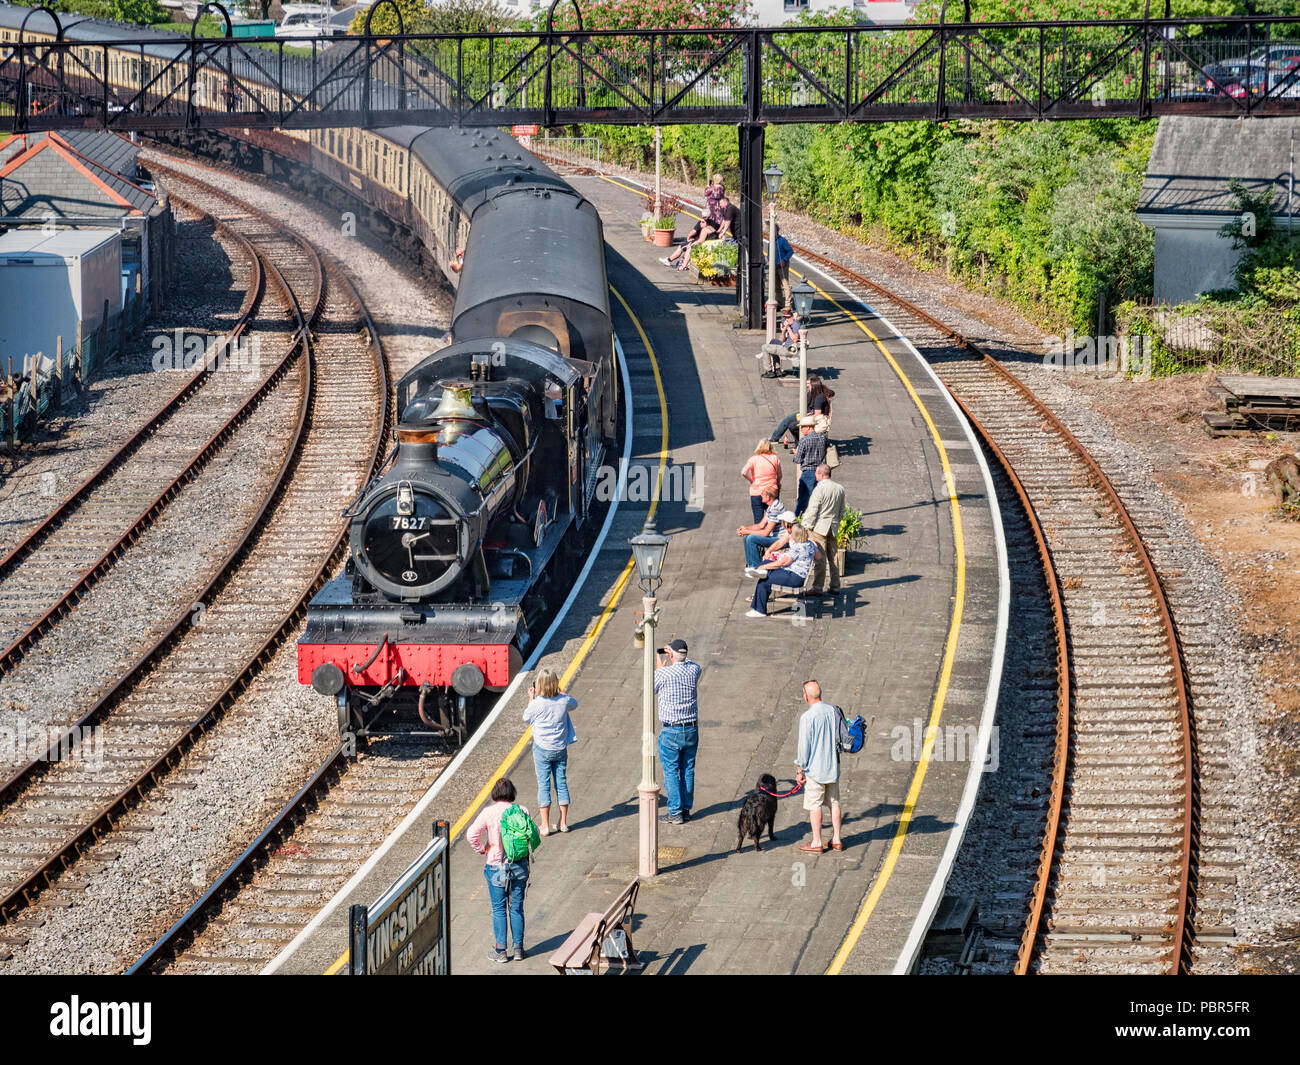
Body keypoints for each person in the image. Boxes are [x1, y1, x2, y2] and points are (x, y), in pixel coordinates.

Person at [466, 777, 532, 961]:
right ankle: (518, 949)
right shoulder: (522, 810)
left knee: (499, 909)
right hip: (518, 864)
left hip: (496, 865)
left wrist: (482, 848)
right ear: (512, 793)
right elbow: (529, 835)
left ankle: (501, 951)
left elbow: (471, 834)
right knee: (517, 907)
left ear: (495, 793)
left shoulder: (488, 813)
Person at [523, 668, 577, 835]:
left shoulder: (537, 704)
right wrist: (562, 693)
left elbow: (526, 718)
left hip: (542, 749)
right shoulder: (563, 700)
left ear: (539, 685)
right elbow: (574, 704)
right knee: (561, 783)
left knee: (544, 785)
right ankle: (563, 822)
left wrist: (531, 698)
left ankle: (545, 825)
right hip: (560, 748)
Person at [654, 638, 701, 825]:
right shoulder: (694, 670)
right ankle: (686, 808)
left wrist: (659, 666)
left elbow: (651, 688)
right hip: (691, 728)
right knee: (688, 769)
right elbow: (691, 662)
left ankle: (675, 812)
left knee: (671, 771)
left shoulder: (663, 674)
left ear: (670, 654)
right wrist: (677, 654)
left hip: (671, 731)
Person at [794, 680, 843, 852]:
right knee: (834, 802)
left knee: (814, 804)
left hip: (815, 770)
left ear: (805, 696)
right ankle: (836, 839)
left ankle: (816, 842)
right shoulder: (832, 710)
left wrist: (800, 770)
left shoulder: (808, 717)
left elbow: (803, 747)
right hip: (833, 766)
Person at [745, 524, 817, 618]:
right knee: (767, 562)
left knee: (764, 581)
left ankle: (759, 610)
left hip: (794, 577)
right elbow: (818, 556)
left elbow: (782, 563)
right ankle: (759, 571)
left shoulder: (797, 547)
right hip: (797, 575)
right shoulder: (810, 544)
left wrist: (765, 566)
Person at [801, 463, 846, 597]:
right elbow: (842, 510)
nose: (815, 476)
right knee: (834, 557)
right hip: (833, 526)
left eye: (816, 473)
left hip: (819, 527)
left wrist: (805, 526)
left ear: (821, 474)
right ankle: (835, 586)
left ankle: (817, 587)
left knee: (819, 557)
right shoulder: (839, 488)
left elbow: (813, 510)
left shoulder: (819, 489)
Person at [664, 174, 725, 268]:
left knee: (687, 244)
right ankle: (714, 236)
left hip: (711, 208)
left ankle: (678, 262)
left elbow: (706, 193)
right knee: (714, 226)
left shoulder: (711, 188)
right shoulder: (722, 188)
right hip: (718, 211)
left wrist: (708, 186)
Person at [769, 375, 833, 448]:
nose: (806, 386)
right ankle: (775, 438)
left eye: (808, 384)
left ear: (814, 386)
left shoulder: (819, 397)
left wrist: (803, 418)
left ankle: (799, 444)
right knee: (788, 419)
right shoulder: (812, 393)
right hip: (808, 414)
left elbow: (817, 414)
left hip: (815, 418)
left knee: (792, 425)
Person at [744, 508, 797, 577]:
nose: (782, 523)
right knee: (768, 556)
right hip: (789, 557)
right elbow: (780, 542)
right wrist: (768, 551)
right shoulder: (789, 531)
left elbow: (792, 555)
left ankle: (759, 569)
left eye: (782, 521)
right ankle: (757, 570)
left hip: (791, 561)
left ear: (786, 522)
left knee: (769, 559)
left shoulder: (796, 532)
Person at [740, 439, 782, 524]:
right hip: (772, 491)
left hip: (756, 491)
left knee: (758, 519)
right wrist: (777, 483)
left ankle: (759, 536)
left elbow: (743, 472)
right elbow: (780, 475)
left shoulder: (753, 459)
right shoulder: (775, 458)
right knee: (773, 519)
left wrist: (752, 481)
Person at [793, 415, 828, 514]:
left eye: (802, 427)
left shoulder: (804, 440)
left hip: (808, 472)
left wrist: (796, 453)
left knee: (803, 499)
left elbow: (797, 459)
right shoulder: (822, 438)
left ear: (808, 427)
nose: (801, 429)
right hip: (821, 472)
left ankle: (799, 521)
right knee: (818, 499)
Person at [765, 223, 794, 311]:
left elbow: (790, 251)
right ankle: (780, 303)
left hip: (782, 266)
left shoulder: (782, 241)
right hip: (774, 266)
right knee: (776, 285)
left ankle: (788, 304)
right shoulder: (771, 241)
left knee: (785, 284)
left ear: (777, 231)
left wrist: (784, 260)